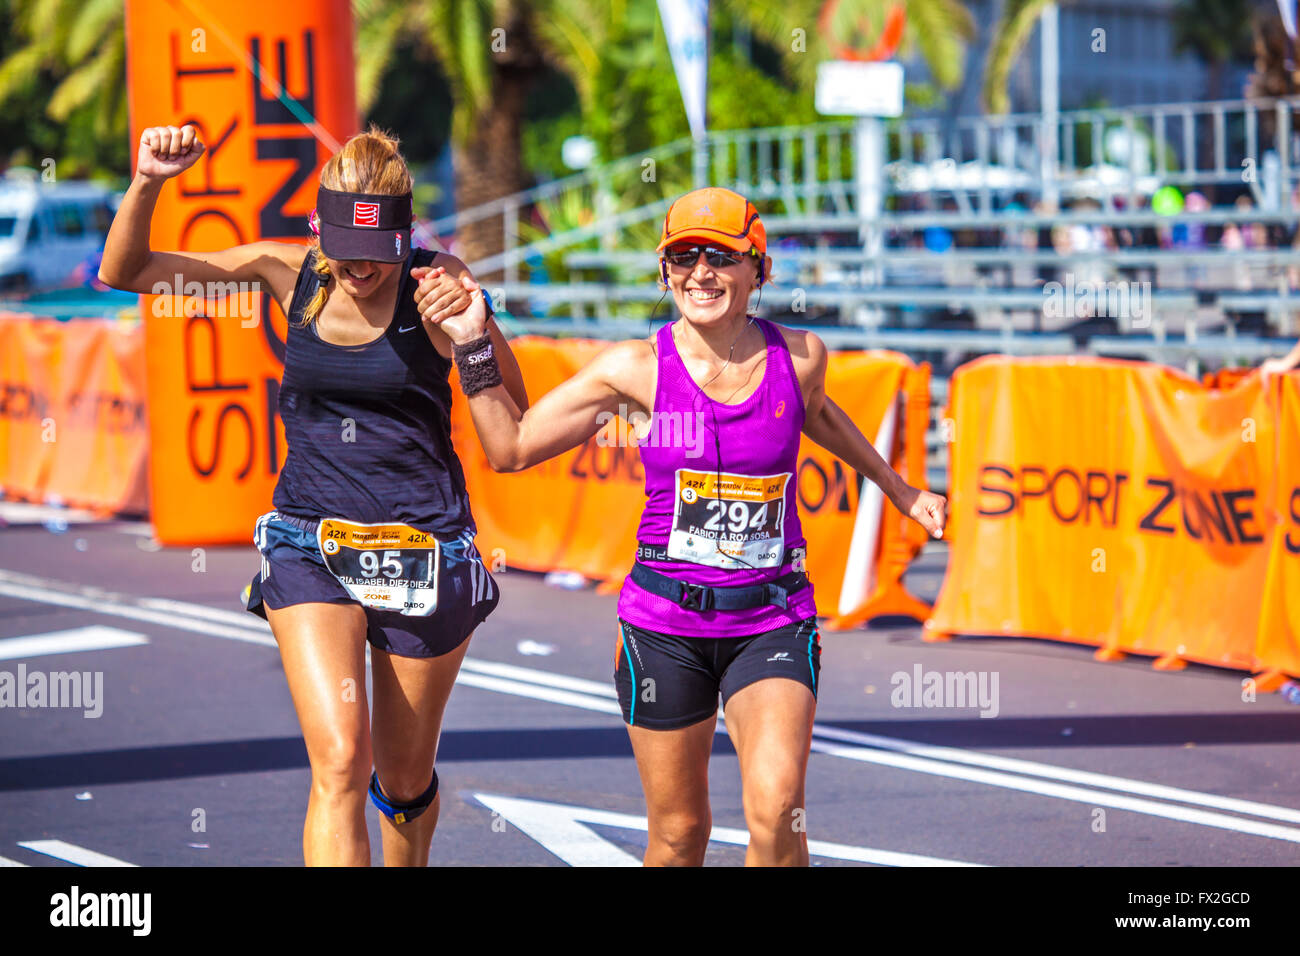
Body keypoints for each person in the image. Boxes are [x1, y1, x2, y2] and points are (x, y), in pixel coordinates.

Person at [430, 187, 947, 866]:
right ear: (664, 270)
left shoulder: (801, 357)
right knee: (678, 834)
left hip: (771, 618)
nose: (699, 272)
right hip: (664, 626)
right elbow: (511, 448)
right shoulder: (635, 369)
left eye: (720, 257)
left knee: (777, 810)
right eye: (682, 256)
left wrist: (900, 488)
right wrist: (471, 342)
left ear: (757, 270)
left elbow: (817, 412)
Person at [98, 123, 528, 866]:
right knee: (339, 763)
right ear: (316, 230)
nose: (361, 268)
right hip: (310, 545)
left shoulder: (436, 281)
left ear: (407, 237)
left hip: (423, 554)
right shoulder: (285, 270)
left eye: (378, 254)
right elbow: (129, 270)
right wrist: (148, 180)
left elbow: (515, 413)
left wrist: (473, 333)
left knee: (401, 778)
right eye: (346, 251)